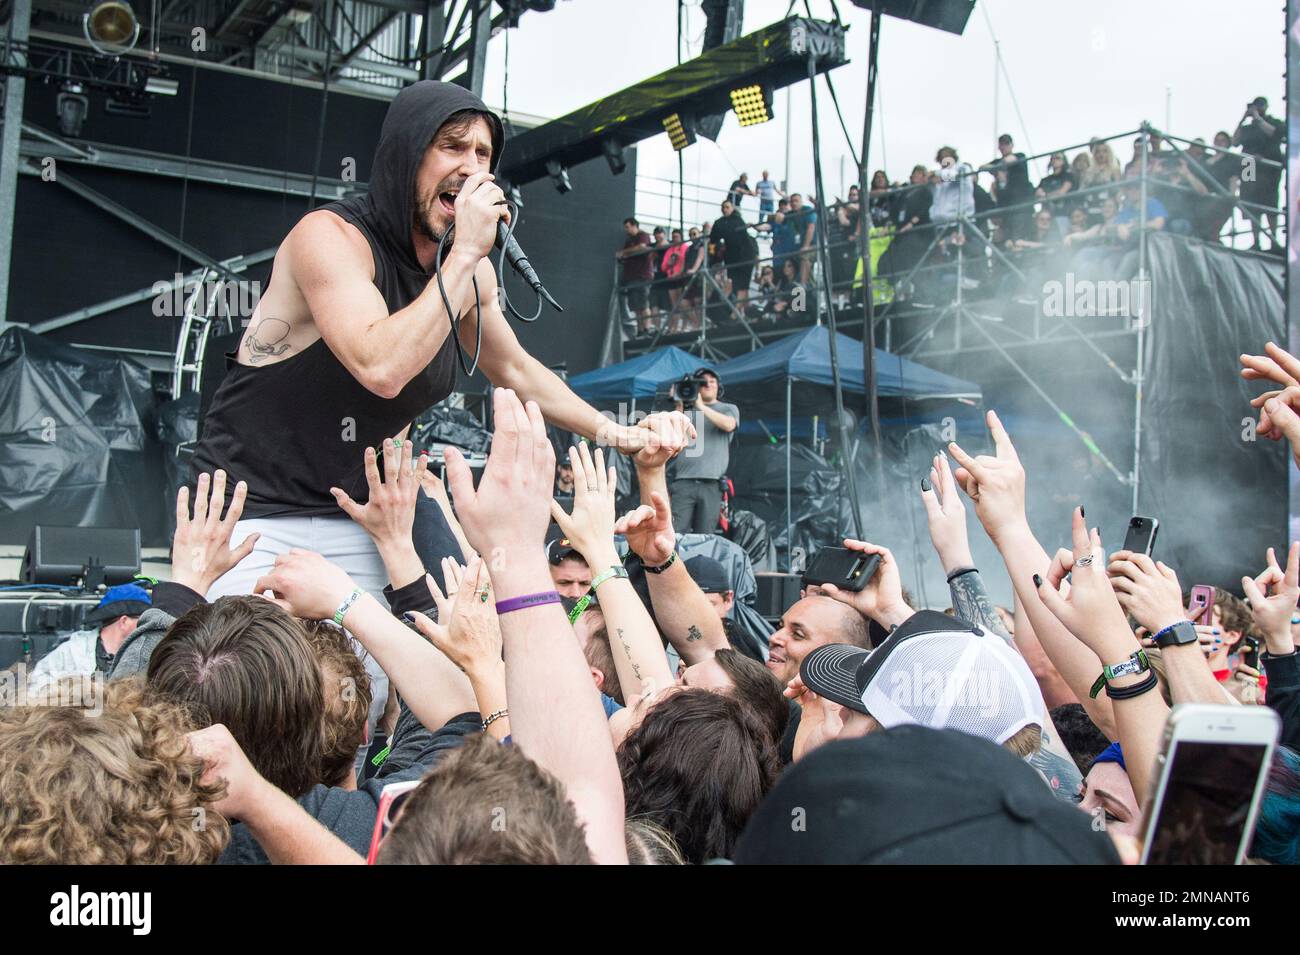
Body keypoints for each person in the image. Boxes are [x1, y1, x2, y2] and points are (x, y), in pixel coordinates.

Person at [184, 81, 689, 740]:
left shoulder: (466, 270)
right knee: (234, 709)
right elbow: (381, 366)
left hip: (362, 516)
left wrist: (621, 434)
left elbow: (516, 370)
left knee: (347, 719)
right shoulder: (330, 238)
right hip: (253, 508)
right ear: (406, 157)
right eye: (453, 146)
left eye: (484, 153)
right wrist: (468, 259)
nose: (474, 165)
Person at [24, 583, 151, 697]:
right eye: (143, 621)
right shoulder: (72, 652)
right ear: (124, 622)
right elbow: (35, 691)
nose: (148, 626)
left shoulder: (147, 655)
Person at [670, 368, 739, 534]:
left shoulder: (727, 408)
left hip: (711, 484)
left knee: (706, 535)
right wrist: (678, 403)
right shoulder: (687, 412)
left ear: (718, 387)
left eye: (712, 381)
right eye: (702, 382)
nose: (707, 384)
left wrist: (700, 405)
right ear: (697, 387)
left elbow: (729, 425)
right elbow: (673, 435)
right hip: (684, 482)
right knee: (675, 534)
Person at [1233, 96, 1284, 249]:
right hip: (1249, 164)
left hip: (1268, 166)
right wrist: (1243, 119)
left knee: (1269, 201)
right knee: (1251, 201)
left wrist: (1257, 117)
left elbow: (1275, 134)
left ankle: (1273, 240)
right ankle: (1256, 240)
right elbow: (1235, 141)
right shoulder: (1248, 128)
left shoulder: (1275, 122)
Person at [707, 199, 758, 313]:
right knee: (736, 285)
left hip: (744, 255)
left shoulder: (737, 220)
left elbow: (729, 232)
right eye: (723, 207)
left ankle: (739, 312)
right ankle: (741, 311)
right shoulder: (720, 222)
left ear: (732, 208)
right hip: (732, 257)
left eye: (727, 207)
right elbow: (713, 239)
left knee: (742, 286)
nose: (725, 209)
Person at [982, 133, 1034, 241]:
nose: (1004, 146)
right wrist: (997, 168)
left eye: (1006, 143)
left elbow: (1010, 160)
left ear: (1011, 145)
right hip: (1006, 208)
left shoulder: (1020, 156)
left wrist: (997, 168)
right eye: (1001, 144)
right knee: (1005, 239)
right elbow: (982, 167)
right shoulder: (997, 162)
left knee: (1019, 237)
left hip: (1021, 206)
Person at [618, 216, 655, 334]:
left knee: (643, 304)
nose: (626, 230)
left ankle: (647, 328)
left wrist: (624, 252)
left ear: (635, 225)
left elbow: (642, 247)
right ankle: (640, 329)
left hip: (642, 275)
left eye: (628, 227)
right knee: (636, 306)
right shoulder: (629, 240)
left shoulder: (643, 236)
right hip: (631, 277)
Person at [786, 193, 819, 284]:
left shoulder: (807, 211)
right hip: (798, 249)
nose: (794, 203)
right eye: (792, 201)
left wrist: (806, 246)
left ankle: (803, 285)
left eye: (796, 201)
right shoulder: (790, 214)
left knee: (805, 257)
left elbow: (811, 228)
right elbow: (779, 218)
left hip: (813, 246)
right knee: (789, 262)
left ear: (801, 202)